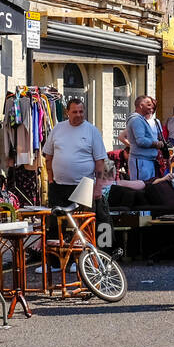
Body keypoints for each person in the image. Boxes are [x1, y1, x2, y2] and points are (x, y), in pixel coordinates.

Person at [42, 97, 107, 249]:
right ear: (67, 112)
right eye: (74, 111)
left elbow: (100, 162)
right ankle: (58, 261)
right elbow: (48, 156)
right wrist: (50, 179)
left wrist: (98, 187)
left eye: (81, 111)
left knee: (82, 224)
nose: (78, 114)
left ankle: (81, 259)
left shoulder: (91, 130)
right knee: (57, 223)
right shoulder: (58, 129)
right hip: (58, 185)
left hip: (83, 185)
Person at [125, 95, 162, 182]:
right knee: (141, 188)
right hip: (141, 161)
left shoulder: (141, 119)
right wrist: (156, 143)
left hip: (146, 161)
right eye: (148, 105)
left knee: (148, 187)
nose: (151, 107)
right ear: (141, 106)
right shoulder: (136, 120)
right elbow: (141, 140)